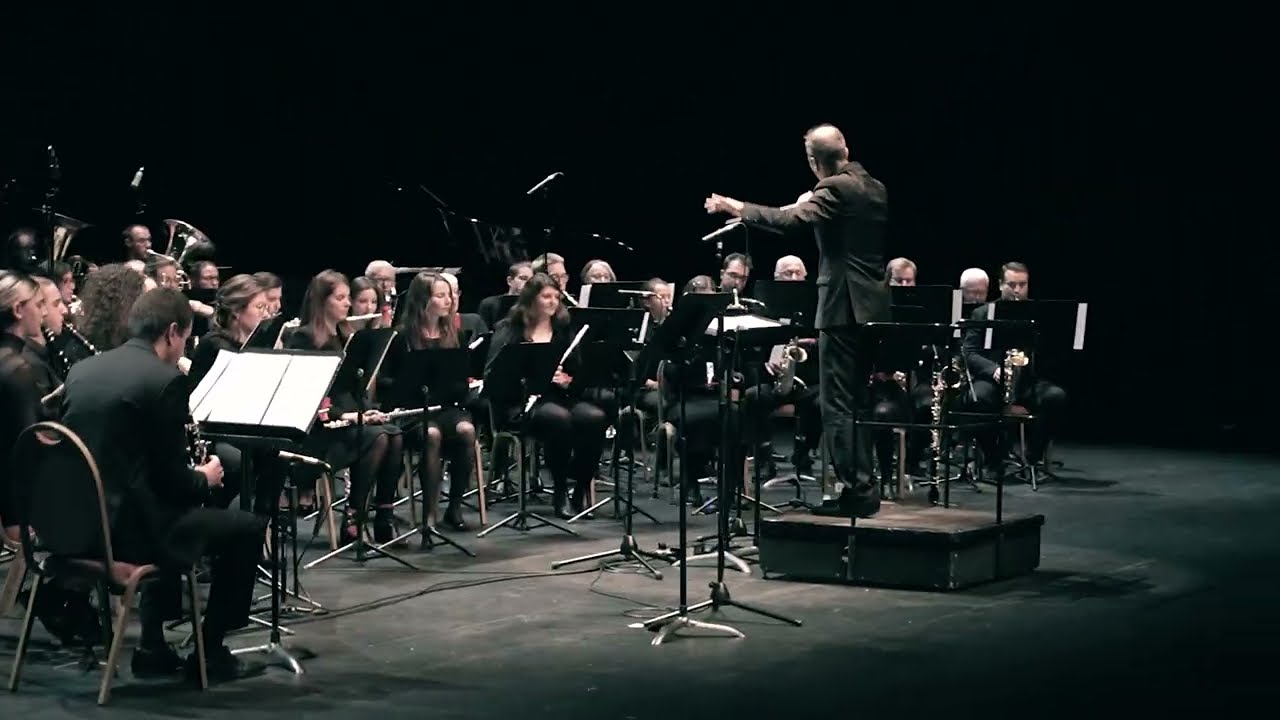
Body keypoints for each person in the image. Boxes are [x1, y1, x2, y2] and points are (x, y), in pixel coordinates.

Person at [60, 288, 262, 681]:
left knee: (166, 510)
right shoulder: (164, 380)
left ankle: (153, 644)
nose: (181, 347)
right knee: (246, 527)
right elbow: (175, 484)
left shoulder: (84, 369)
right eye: (184, 338)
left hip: (79, 524)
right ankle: (212, 650)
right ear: (172, 332)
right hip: (126, 536)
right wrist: (204, 479)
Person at [705, 123, 890, 516]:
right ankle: (865, 486)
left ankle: (856, 491)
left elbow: (790, 223)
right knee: (858, 400)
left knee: (837, 403)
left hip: (843, 306)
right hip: (873, 307)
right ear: (846, 148)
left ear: (812, 160)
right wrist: (807, 201)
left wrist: (735, 206)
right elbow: (814, 215)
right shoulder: (873, 186)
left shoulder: (833, 189)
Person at [484, 273, 608, 518]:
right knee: (558, 419)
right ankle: (560, 491)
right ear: (531, 299)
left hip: (560, 396)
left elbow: (579, 367)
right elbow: (495, 373)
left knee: (595, 417)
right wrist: (534, 377)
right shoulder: (510, 328)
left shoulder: (563, 327)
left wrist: (568, 379)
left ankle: (580, 490)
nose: (553, 302)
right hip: (522, 401)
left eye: (556, 297)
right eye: (546, 297)